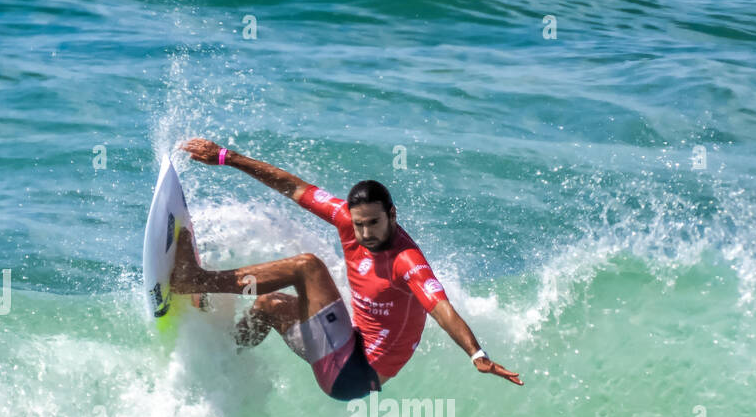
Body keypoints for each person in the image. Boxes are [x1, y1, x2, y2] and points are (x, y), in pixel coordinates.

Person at [169, 138, 522, 401]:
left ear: (392, 215)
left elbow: (440, 307)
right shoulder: (345, 219)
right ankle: (222, 358)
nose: (366, 234)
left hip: (354, 372)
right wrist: (227, 157)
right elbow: (293, 187)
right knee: (269, 307)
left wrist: (477, 353)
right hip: (344, 352)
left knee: (307, 267)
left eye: (374, 223)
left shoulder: (406, 260)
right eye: (359, 225)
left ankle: (194, 279)